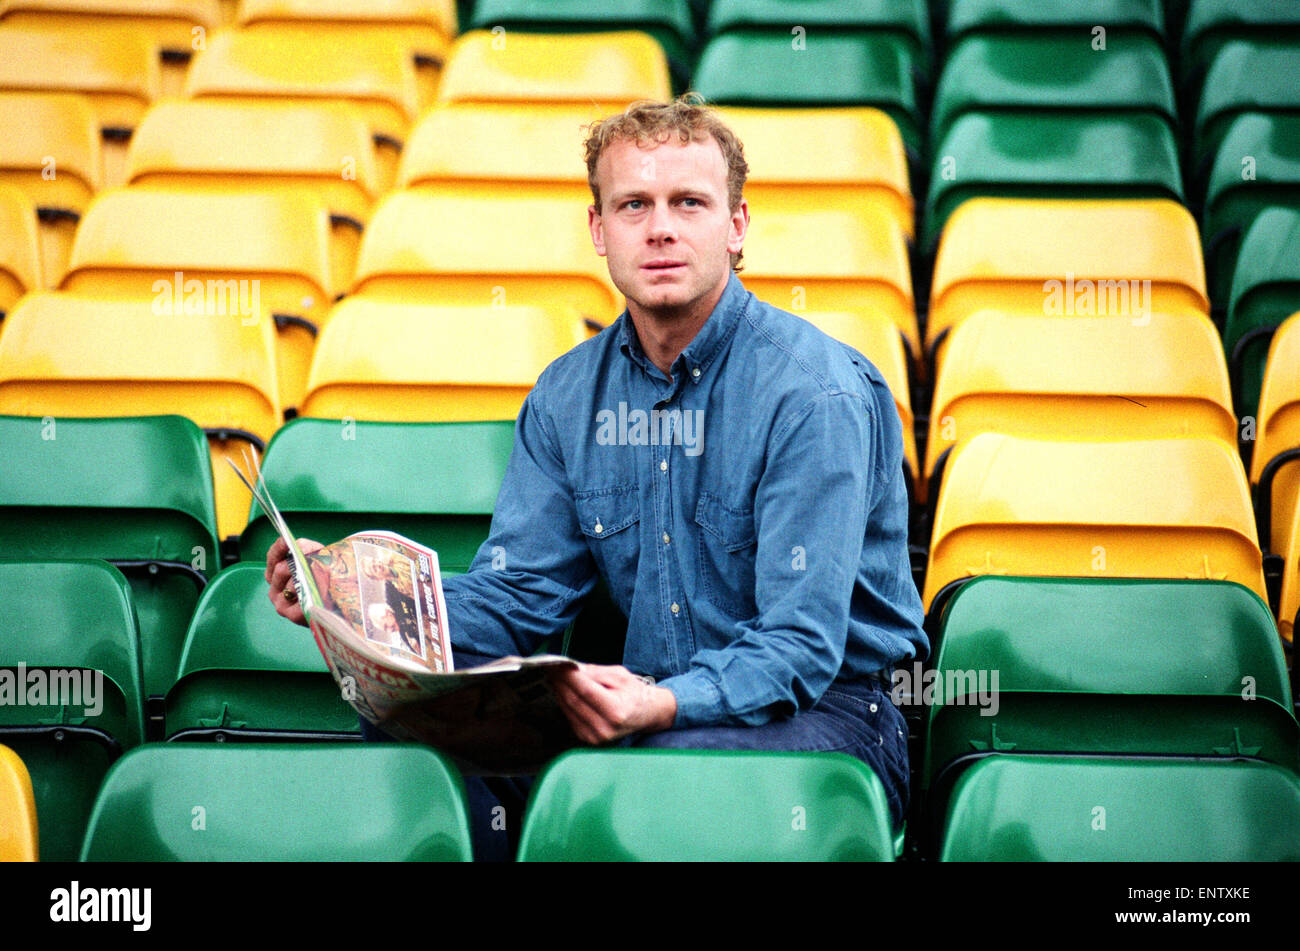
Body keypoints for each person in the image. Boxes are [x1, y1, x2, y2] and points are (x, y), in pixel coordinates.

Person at [266, 93, 928, 859]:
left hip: (827, 715)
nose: (661, 228)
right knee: (413, 729)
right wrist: (354, 594)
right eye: (633, 204)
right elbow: (519, 596)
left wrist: (664, 701)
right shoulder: (566, 396)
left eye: (689, 202)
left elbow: (799, 646)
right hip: (638, 706)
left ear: (737, 226)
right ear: (599, 230)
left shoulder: (814, 392)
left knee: (660, 778)